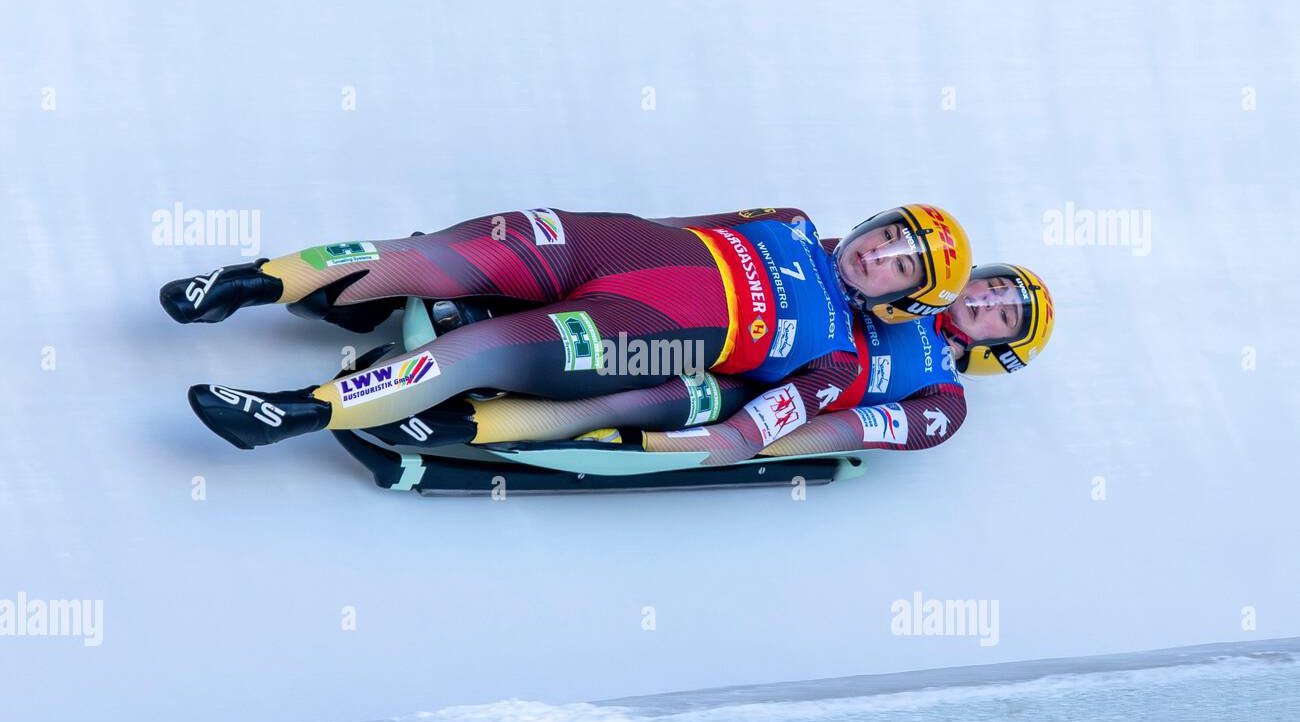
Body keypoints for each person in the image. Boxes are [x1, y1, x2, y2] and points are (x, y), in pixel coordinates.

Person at [161, 205, 973, 465]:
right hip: (612, 246)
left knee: (473, 354)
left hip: (652, 335)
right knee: (442, 258)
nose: (879, 252)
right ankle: (246, 282)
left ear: (906, 301)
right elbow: (684, 223)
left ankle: (292, 413)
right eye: (887, 234)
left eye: (900, 265)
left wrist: (650, 441)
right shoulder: (792, 220)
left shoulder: (835, 360)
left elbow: (741, 435)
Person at [347, 262, 1055, 465]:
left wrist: (759, 444)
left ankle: (472, 428)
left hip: (750, 395)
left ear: (1000, 350)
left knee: (639, 396)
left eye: (1001, 312)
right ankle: (483, 319)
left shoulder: (944, 401)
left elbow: (849, 430)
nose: (986, 300)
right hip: (740, 339)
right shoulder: (910, 282)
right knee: (623, 324)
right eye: (994, 287)